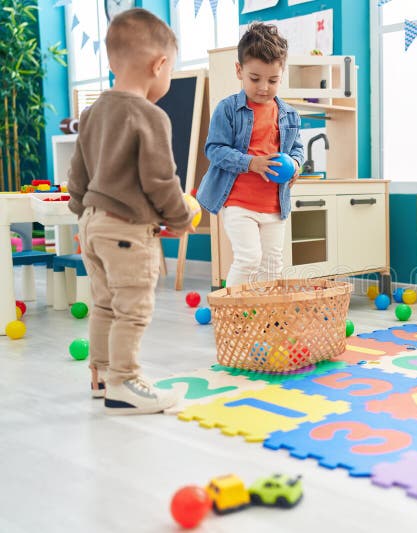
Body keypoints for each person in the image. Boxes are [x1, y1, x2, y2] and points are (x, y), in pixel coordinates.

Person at [67, 8, 194, 415]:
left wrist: (84, 216)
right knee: (133, 309)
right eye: (170, 68)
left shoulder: (92, 114)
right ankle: (125, 382)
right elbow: (160, 180)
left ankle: (101, 376)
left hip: (92, 224)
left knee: (104, 303)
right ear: (159, 65)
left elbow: (77, 176)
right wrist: (180, 218)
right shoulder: (150, 116)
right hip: (126, 229)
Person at [196, 23, 304, 288]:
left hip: (275, 205)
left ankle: (266, 319)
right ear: (239, 71)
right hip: (238, 203)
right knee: (248, 258)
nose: (264, 87)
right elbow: (214, 149)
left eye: (273, 80)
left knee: (272, 265)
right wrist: (251, 163)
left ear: (282, 75)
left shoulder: (289, 114)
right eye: (255, 78)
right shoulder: (228, 109)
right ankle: (232, 314)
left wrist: (297, 165)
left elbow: (297, 149)